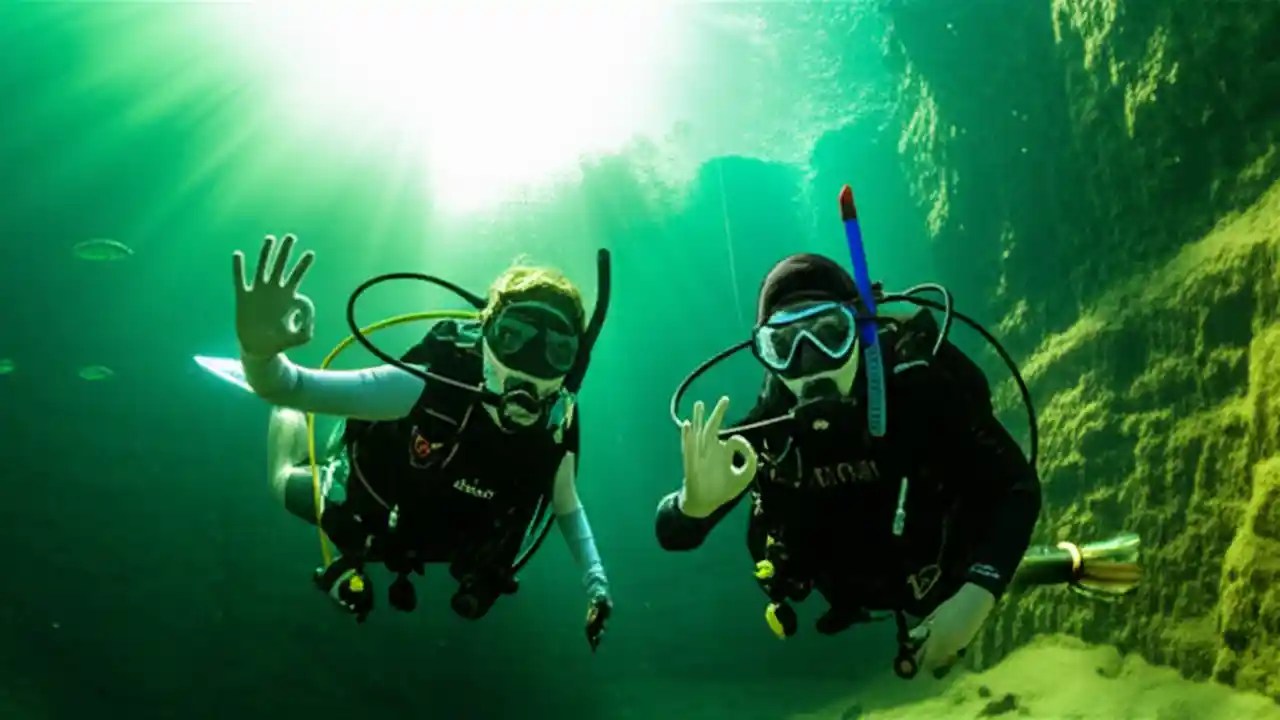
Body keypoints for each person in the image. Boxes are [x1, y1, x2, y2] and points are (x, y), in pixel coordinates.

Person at [654, 252, 1043, 677]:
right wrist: (692, 506)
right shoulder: (772, 433)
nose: (808, 363)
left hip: (944, 576)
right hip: (846, 595)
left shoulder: (919, 392)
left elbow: (1017, 487)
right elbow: (672, 534)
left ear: (859, 330)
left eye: (829, 333)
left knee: (989, 550)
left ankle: (1023, 567)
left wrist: (976, 596)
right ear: (767, 356)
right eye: (784, 346)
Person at [232, 233, 613, 650]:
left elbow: (566, 504)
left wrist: (596, 584)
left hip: (451, 545)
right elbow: (289, 385)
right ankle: (291, 425)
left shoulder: (555, 428)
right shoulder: (429, 385)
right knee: (282, 479)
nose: (532, 363)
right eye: (514, 337)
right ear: (486, 334)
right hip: (370, 514)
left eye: (558, 350)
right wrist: (260, 356)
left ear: (574, 364)